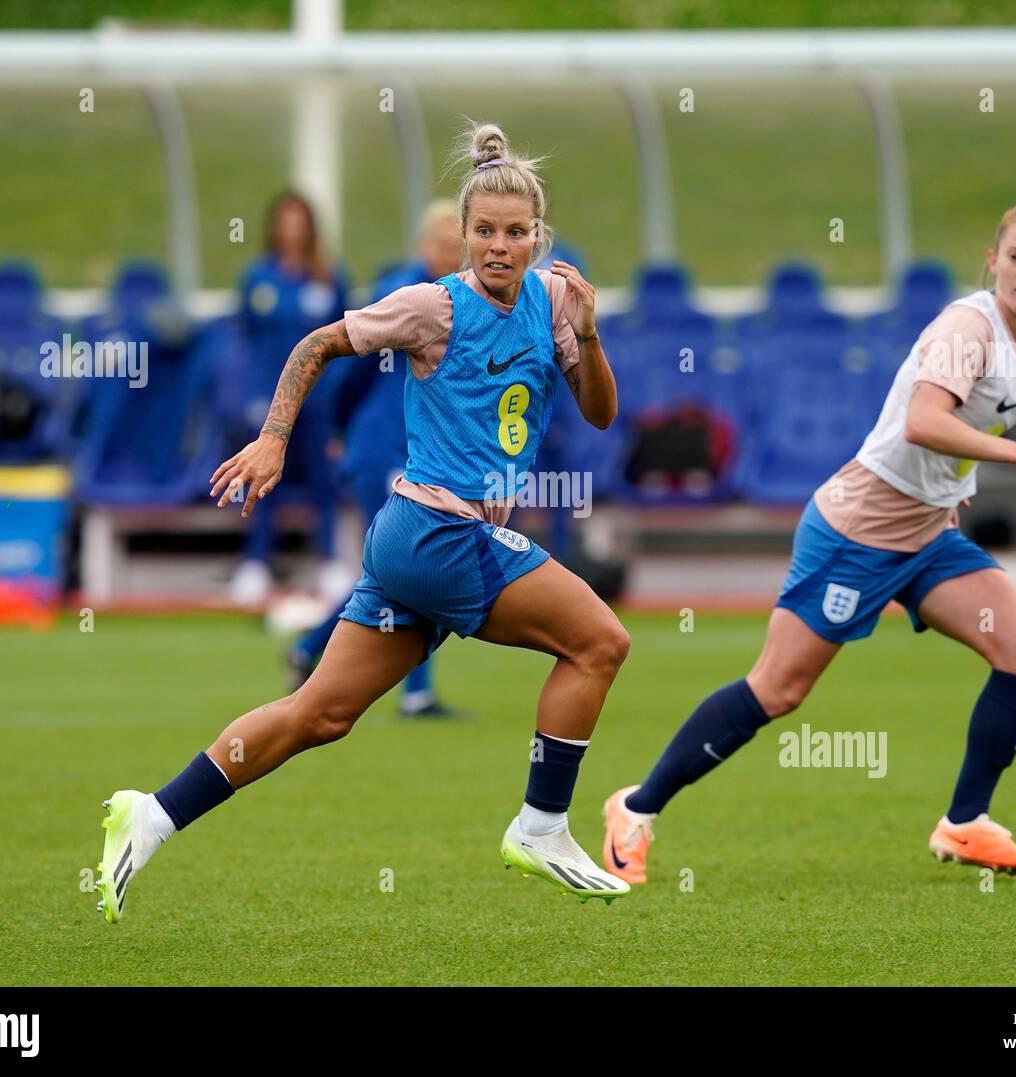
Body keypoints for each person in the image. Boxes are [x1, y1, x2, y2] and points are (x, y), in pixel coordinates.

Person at [95, 122, 630, 923]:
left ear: (537, 238)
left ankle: (154, 813)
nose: (497, 245)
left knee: (320, 713)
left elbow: (598, 412)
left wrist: (587, 333)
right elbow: (317, 343)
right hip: (440, 531)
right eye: (482, 231)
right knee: (600, 642)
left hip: (415, 541)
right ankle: (541, 825)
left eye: (514, 232)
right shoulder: (431, 306)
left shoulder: (554, 300)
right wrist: (274, 439)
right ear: (461, 238)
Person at [603, 200, 1016, 882]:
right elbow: (922, 421)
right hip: (855, 533)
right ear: (992, 262)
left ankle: (966, 823)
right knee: (778, 689)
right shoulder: (966, 329)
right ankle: (636, 809)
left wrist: (956, 486)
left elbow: (962, 435)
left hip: (927, 536)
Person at [285, 200, 464, 718]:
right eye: (445, 246)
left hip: (422, 452)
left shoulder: (464, 305)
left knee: (390, 572)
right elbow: (349, 370)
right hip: (382, 447)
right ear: (424, 247)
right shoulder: (404, 296)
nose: (453, 256)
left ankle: (308, 645)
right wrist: (341, 430)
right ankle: (416, 693)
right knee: (413, 564)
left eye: (460, 248)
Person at [229, 191, 350, 607]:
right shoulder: (257, 279)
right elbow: (243, 341)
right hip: (269, 406)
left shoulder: (329, 278)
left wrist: (337, 410)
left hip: (317, 405)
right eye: (286, 221)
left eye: (300, 221)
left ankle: (330, 562)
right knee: (263, 482)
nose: (292, 229)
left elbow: (342, 344)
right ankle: (256, 564)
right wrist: (248, 396)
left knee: (323, 481)